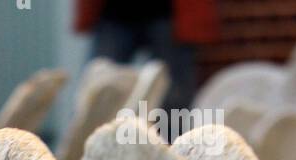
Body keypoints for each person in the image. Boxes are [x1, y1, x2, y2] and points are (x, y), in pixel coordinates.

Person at [74, 0, 221, 111]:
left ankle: (173, 148)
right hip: (113, 12)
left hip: (170, 13)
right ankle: (88, 148)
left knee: (175, 99)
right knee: (96, 92)